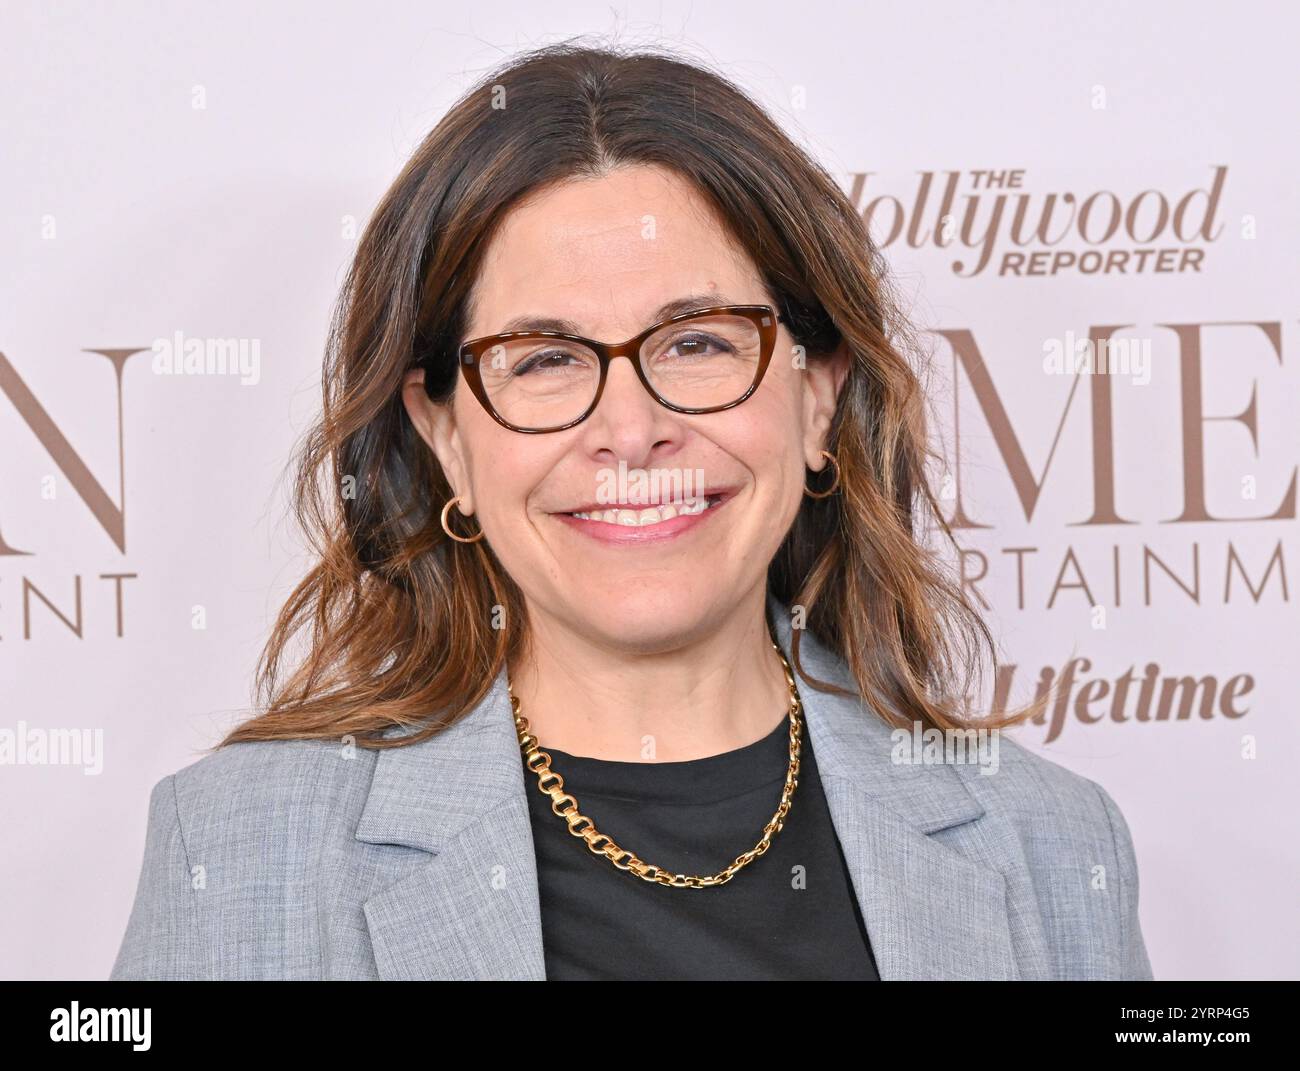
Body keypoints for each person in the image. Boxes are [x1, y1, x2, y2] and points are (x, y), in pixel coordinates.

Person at [110, 41, 1153, 981]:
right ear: (443, 438)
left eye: (697, 341)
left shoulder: (1049, 844)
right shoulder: (244, 847)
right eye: (546, 359)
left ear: (818, 392)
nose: (630, 428)